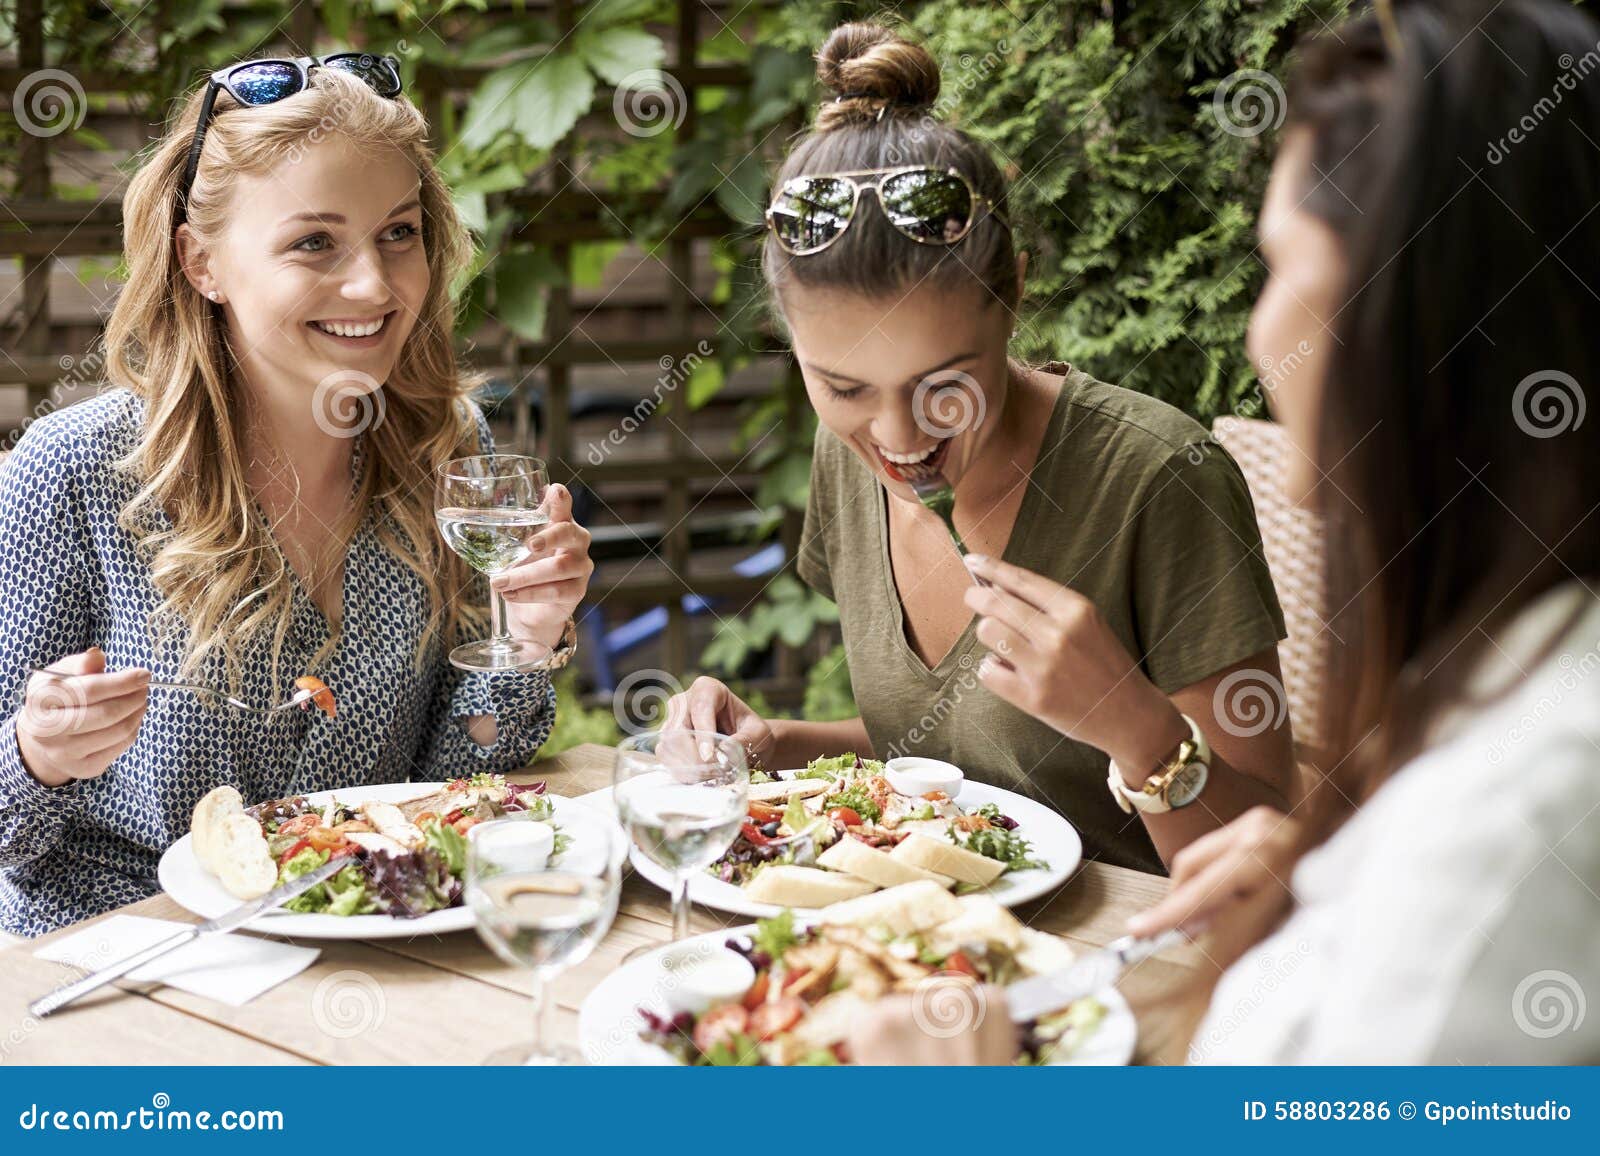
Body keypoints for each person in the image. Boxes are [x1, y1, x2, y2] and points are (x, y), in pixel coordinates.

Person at [851, 0, 1600, 1063]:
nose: (1259, 330)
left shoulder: (1510, 819)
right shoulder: (1504, 705)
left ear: (1414, 317)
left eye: (1282, 261)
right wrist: (1330, 888)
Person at [666, 23, 1295, 872]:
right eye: (845, 388)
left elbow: (1274, 861)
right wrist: (773, 744)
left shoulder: (1158, 478)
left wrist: (1131, 723)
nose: (898, 440)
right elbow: (951, 752)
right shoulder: (842, 462)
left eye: (943, 385)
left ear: (1015, 294)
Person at [0, 57, 593, 937]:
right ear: (201, 261)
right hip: (123, 962)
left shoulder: (443, 456)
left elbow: (449, 786)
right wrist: (35, 756)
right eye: (314, 242)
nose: (375, 286)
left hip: (361, 948)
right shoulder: (75, 472)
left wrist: (528, 640)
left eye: (398, 233)